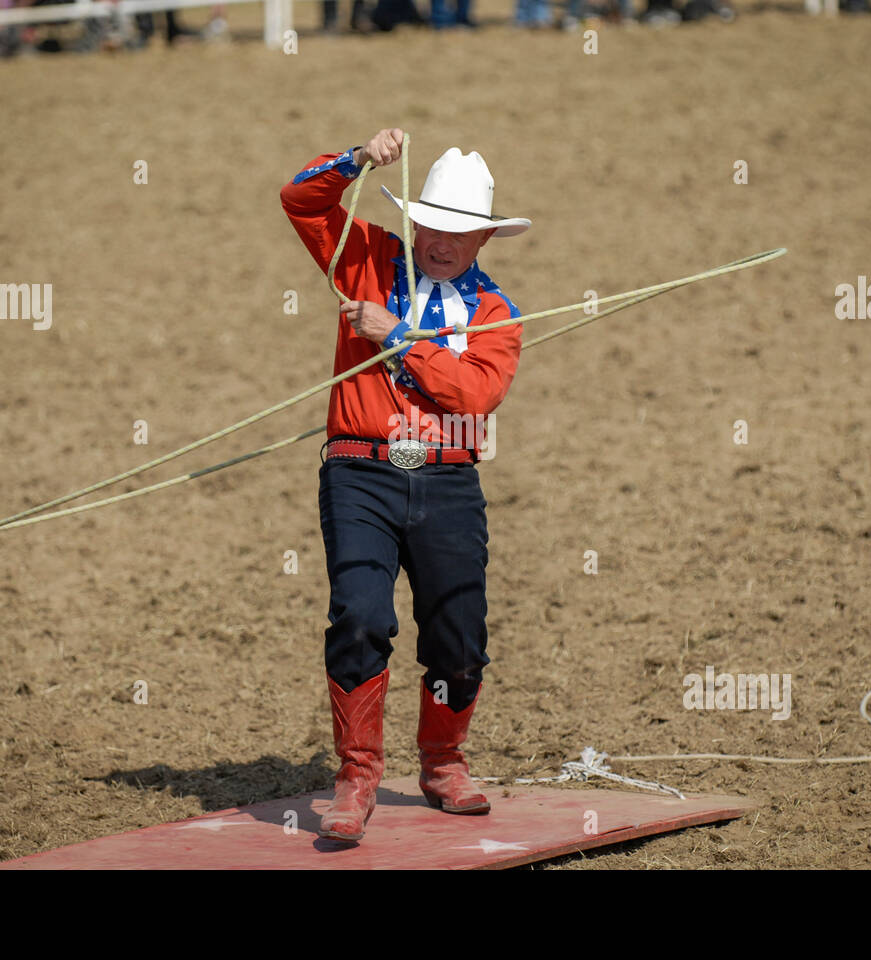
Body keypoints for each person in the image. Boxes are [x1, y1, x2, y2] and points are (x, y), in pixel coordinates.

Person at [280, 129, 529, 843]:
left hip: (448, 478)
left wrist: (396, 337)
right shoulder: (366, 256)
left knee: (459, 637)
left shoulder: (496, 314)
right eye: (432, 225)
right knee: (360, 616)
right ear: (414, 220)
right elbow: (300, 201)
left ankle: (444, 761)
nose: (441, 242)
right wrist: (356, 159)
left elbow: (474, 399)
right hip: (359, 469)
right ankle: (357, 776)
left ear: (483, 241)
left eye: (459, 233)